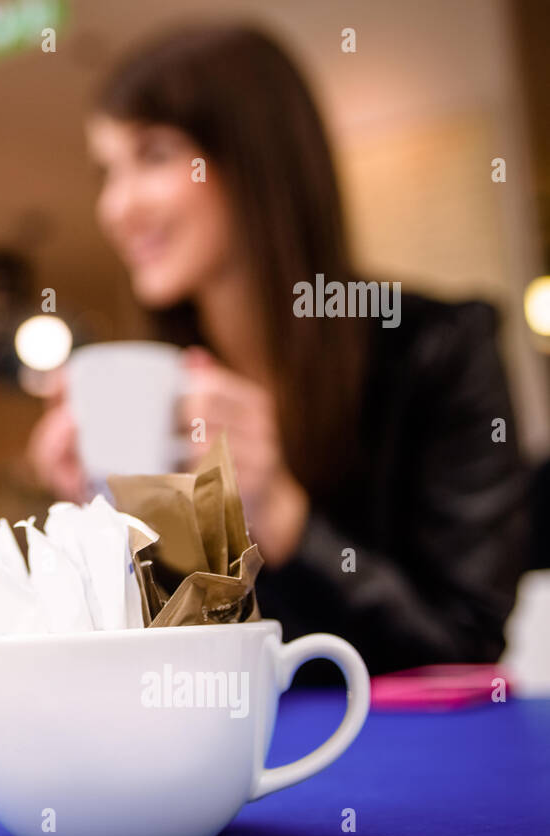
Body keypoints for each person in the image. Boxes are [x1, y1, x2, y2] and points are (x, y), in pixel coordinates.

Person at [27, 25, 529, 675]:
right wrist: (96, 524)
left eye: (153, 155)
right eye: (107, 171)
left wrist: (282, 517)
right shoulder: (168, 388)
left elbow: (463, 645)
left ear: (256, 158)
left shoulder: (440, 351)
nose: (115, 207)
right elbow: (175, 662)